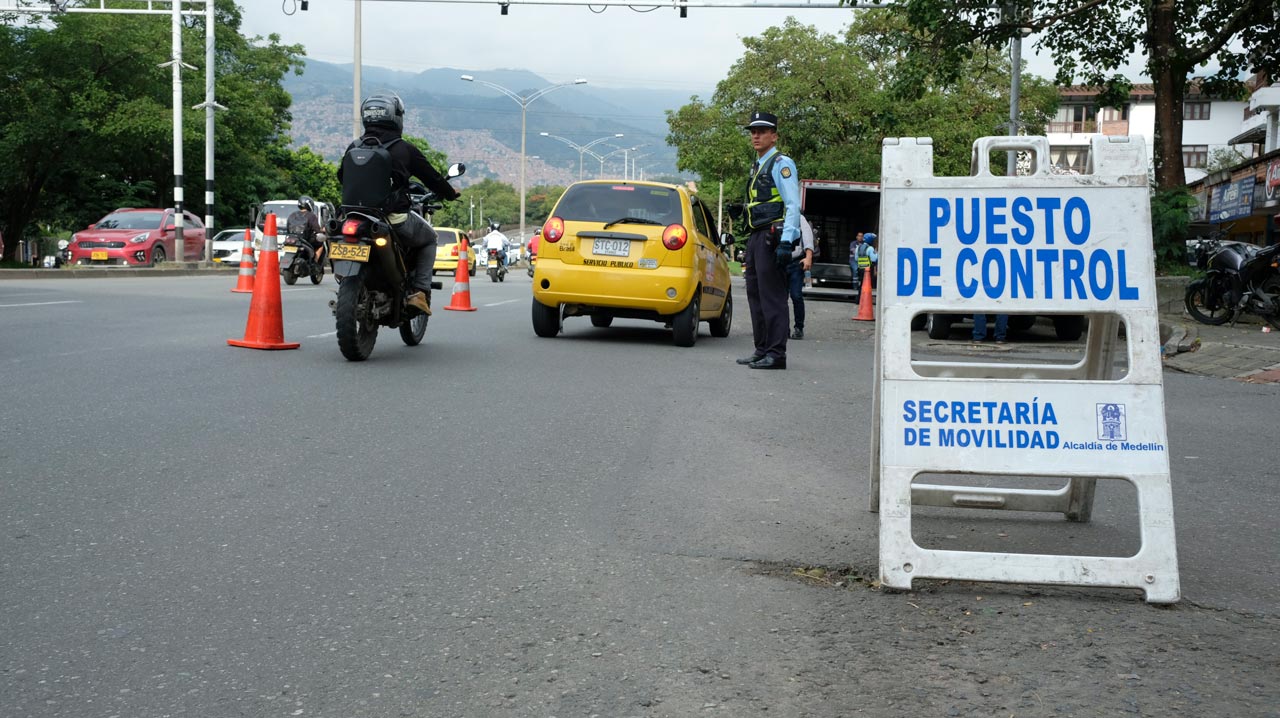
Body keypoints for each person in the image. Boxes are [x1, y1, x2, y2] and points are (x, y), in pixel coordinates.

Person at [337, 94, 460, 315]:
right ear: (396, 118)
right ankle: (420, 292)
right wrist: (450, 194)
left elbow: (341, 176)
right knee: (429, 239)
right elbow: (432, 178)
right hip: (392, 218)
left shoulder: (354, 146)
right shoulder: (404, 149)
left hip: (351, 217)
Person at [736, 111, 801, 370]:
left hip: (771, 237)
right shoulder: (758, 164)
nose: (756, 135)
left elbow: (792, 204)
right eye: (753, 131)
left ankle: (776, 353)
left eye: (762, 131)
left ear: (774, 136)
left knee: (772, 296)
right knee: (755, 293)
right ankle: (761, 348)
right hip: (756, 235)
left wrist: (786, 241)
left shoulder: (781, 163)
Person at [785, 215, 816, 339]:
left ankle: (799, 328)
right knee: (780, 298)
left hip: (795, 263)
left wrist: (808, 257)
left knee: (796, 295)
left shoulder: (798, 217)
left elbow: (808, 237)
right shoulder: (775, 214)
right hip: (779, 263)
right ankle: (782, 328)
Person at [285, 195, 325, 265]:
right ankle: (315, 261)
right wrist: (322, 231)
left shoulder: (292, 214)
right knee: (321, 245)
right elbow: (317, 229)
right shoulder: (311, 216)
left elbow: (288, 228)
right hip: (306, 240)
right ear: (309, 204)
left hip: (292, 239)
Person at [852, 231, 879, 299]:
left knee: (861, 284)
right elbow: (874, 259)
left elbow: (856, 258)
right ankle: (865, 299)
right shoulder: (870, 248)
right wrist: (877, 253)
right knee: (867, 285)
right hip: (868, 270)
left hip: (860, 268)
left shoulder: (858, 247)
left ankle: (859, 299)